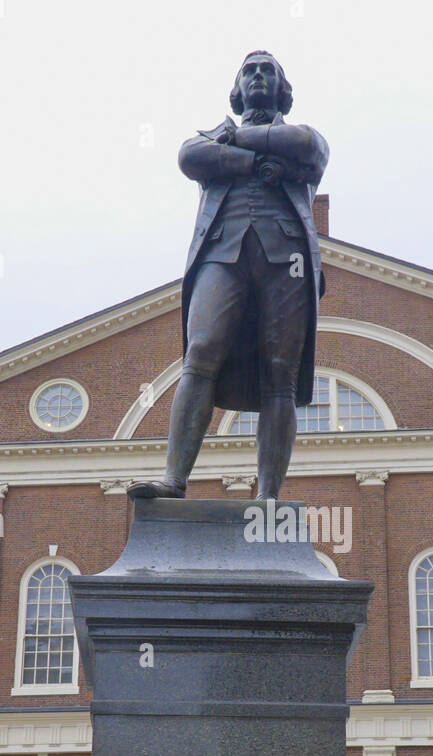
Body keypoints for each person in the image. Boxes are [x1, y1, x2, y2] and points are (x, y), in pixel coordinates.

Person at [128, 51, 328, 501]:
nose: (259, 76)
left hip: (287, 260)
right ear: (237, 90)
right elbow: (190, 155)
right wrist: (257, 164)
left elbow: (308, 147)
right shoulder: (216, 138)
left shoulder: (292, 135)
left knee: (281, 372)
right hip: (223, 253)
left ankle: (268, 498)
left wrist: (236, 142)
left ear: (282, 88)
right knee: (199, 353)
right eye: (250, 71)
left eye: (268, 70)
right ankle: (174, 480)